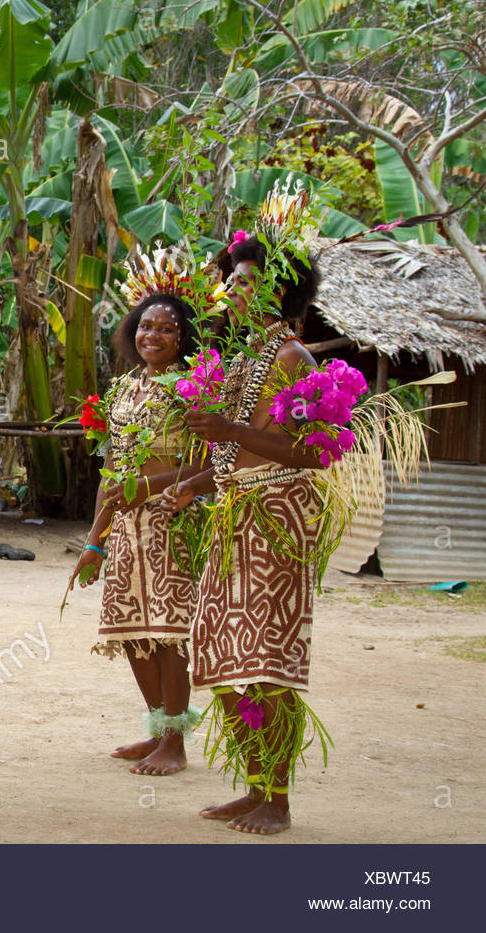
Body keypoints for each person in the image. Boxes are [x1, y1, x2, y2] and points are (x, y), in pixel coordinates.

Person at [161, 186, 333, 834]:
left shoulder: (295, 358)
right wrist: (199, 480)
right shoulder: (243, 361)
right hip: (235, 515)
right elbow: (239, 453)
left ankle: (279, 800)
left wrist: (229, 437)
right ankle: (257, 783)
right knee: (220, 653)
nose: (230, 290)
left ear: (279, 293)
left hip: (279, 521)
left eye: (245, 280)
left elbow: (311, 456)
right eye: (230, 280)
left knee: (268, 661)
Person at [68, 249, 210, 777]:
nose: (153, 336)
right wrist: (94, 541)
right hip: (126, 526)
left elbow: (207, 462)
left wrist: (149, 485)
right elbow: (112, 470)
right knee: (132, 632)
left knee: (167, 633)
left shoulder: (195, 386)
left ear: (183, 337)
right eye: (145, 326)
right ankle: (158, 732)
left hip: (171, 520)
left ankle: (175, 743)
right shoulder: (126, 387)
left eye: (166, 329)